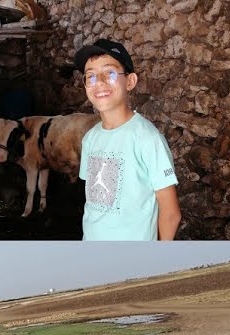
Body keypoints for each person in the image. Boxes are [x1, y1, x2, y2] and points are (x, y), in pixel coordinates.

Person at [75, 39, 181, 241]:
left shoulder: (147, 139)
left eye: (110, 73)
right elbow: (95, 203)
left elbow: (171, 214)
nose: (100, 82)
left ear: (130, 81)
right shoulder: (90, 139)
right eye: (90, 76)